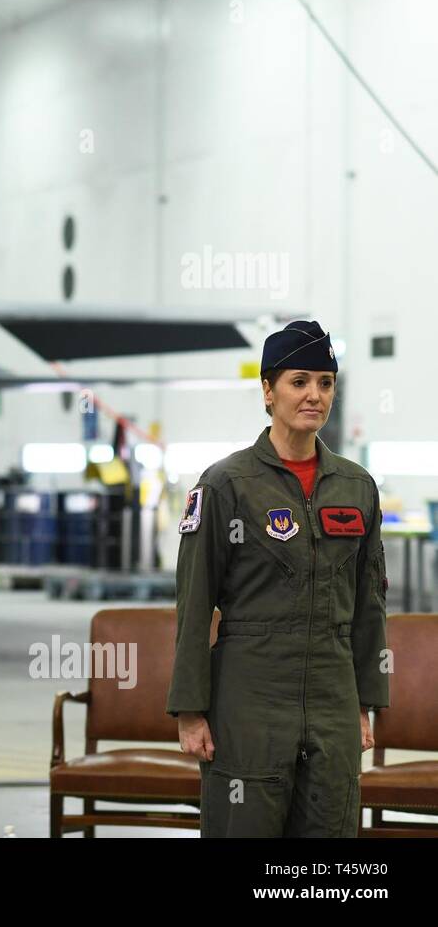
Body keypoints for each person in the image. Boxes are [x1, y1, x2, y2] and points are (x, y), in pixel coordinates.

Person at [169, 319, 389, 837]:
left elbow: (370, 603)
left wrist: (365, 702)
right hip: (249, 700)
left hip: (334, 700)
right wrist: (189, 710)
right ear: (267, 391)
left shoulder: (357, 488)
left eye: (326, 382)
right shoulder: (226, 485)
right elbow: (194, 603)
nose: (315, 395)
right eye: (299, 381)